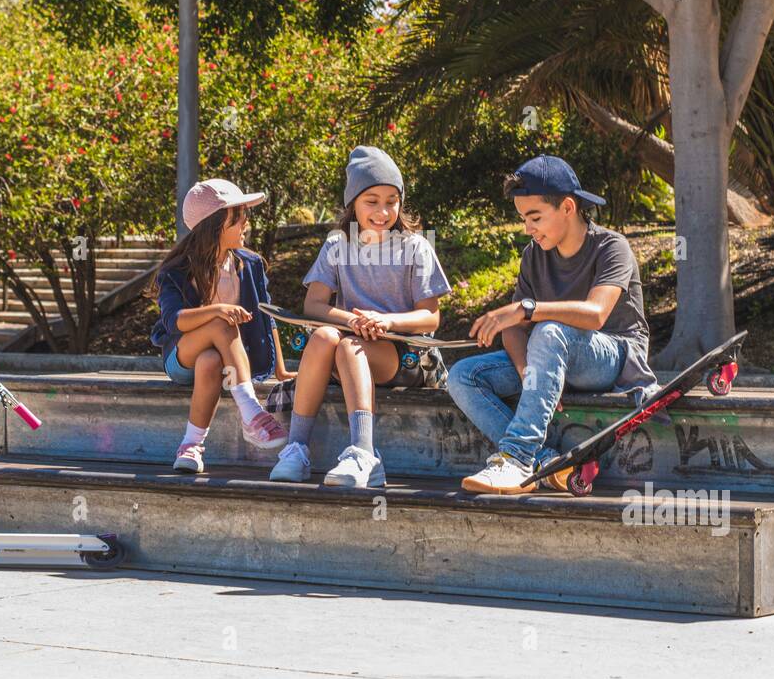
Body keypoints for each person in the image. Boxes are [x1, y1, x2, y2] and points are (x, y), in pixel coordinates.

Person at [448, 155, 658, 495]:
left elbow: (595, 314)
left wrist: (527, 309)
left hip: (613, 356)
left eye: (535, 217)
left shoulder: (611, 246)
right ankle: (548, 461)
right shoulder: (534, 255)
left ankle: (515, 458)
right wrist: (529, 373)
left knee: (548, 330)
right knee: (462, 376)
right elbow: (514, 329)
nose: (528, 228)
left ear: (568, 207)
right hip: (551, 355)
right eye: (523, 219)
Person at [268, 146, 451, 488]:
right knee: (324, 336)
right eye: (372, 201)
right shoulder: (337, 244)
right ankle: (296, 449)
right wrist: (351, 320)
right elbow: (315, 306)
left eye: (391, 200)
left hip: (406, 354)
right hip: (351, 347)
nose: (383, 211)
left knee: (349, 347)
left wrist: (386, 322)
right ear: (353, 202)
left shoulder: (416, 247)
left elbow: (430, 318)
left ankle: (363, 452)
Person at [148, 179, 291, 473]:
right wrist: (218, 309)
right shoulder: (176, 271)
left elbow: (267, 316)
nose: (246, 224)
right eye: (237, 218)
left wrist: (280, 370)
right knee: (219, 322)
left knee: (211, 360)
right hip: (182, 356)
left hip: (226, 361)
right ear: (213, 226)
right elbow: (175, 321)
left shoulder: (249, 264)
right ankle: (251, 412)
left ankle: (191, 446)